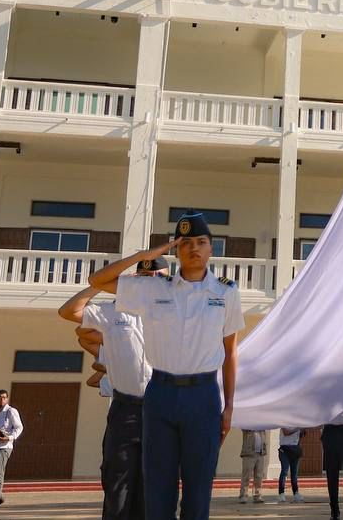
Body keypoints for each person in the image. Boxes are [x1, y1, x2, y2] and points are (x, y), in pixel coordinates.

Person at [87, 213, 242, 520]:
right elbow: (98, 281)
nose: (194, 248)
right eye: (185, 243)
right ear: (175, 250)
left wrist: (229, 407)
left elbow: (231, 352)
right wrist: (144, 255)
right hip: (160, 394)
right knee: (158, 490)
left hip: (203, 396)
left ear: (211, 248)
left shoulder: (226, 292)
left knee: (198, 491)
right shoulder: (154, 289)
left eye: (201, 242)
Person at [60, 256, 164, 520]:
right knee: (117, 486)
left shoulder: (176, 316)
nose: (151, 283)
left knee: (154, 488)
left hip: (162, 412)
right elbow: (69, 311)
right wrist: (103, 285)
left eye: (159, 278)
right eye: (144, 278)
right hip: (126, 411)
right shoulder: (114, 311)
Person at [238, 428, 269, 504]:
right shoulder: (248, 427)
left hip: (260, 453)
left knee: (259, 476)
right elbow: (242, 427)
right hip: (249, 454)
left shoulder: (262, 428)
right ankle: (243, 495)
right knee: (246, 475)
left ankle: (257, 495)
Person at [277, 425, 304, 503]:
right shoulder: (284, 422)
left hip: (295, 449)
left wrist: (302, 429)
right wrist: (297, 428)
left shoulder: (297, 423)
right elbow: (286, 432)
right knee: (284, 471)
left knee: (294, 473)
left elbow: (300, 435)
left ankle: (296, 493)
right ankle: (281, 493)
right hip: (284, 449)